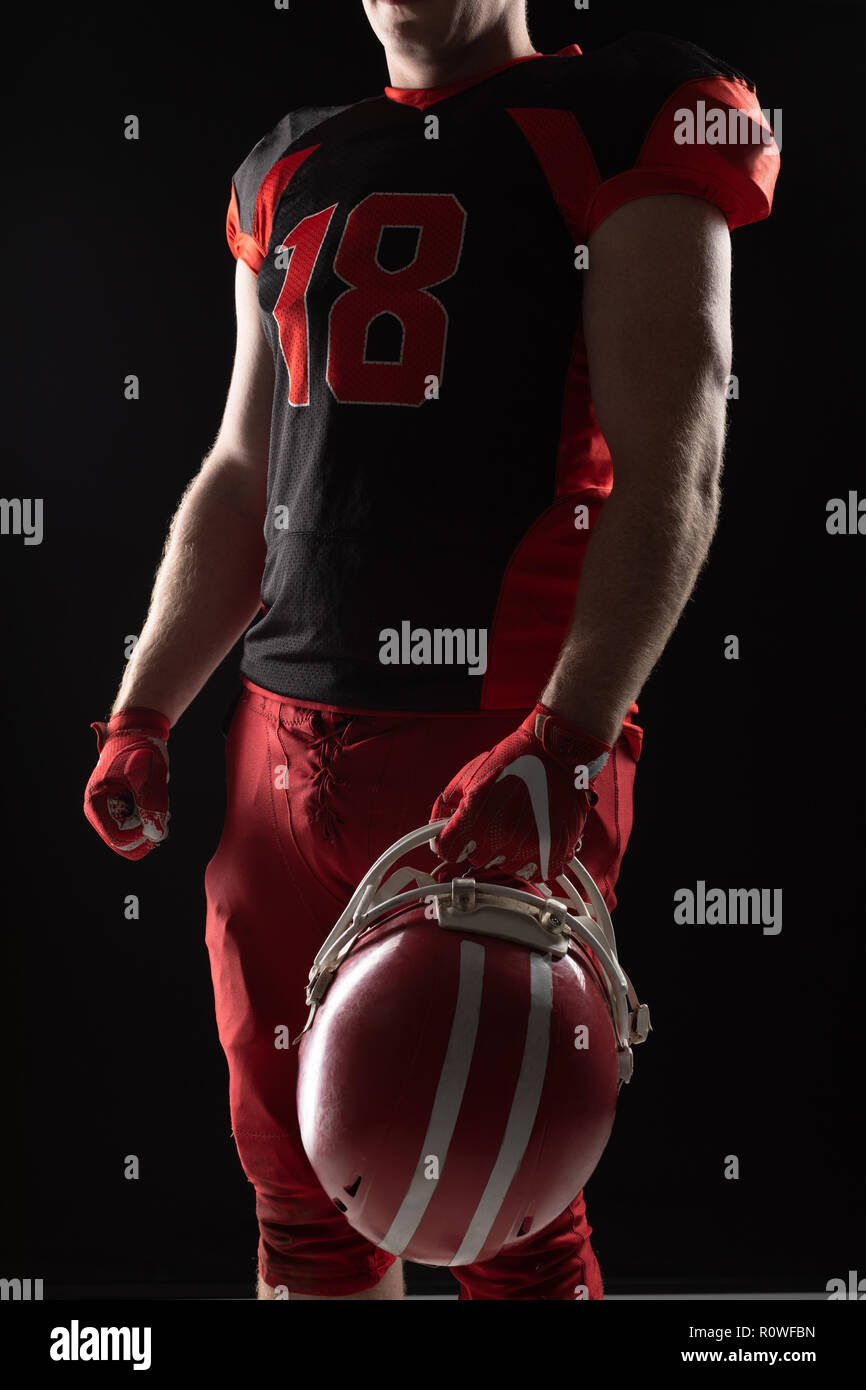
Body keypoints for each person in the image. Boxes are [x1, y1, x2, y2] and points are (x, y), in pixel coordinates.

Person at [84, 0, 780, 1300]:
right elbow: (244, 477)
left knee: (498, 1200)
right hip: (277, 745)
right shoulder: (291, 160)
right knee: (302, 1206)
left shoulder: (627, 111)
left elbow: (674, 459)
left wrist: (567, 738)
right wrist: (142, 708)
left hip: (499, 731)